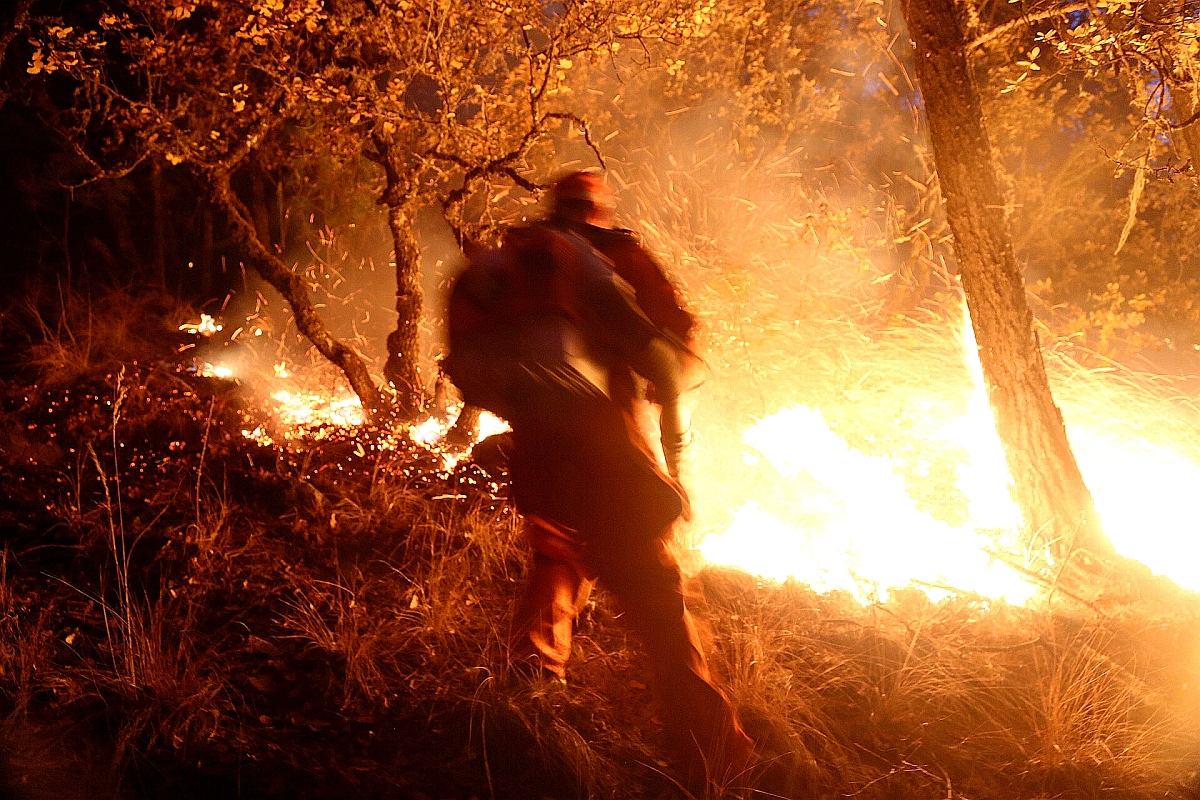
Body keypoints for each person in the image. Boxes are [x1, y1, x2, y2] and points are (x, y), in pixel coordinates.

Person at [444, 170, 754, 792]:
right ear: (599, 209)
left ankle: (529, 718)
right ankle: (713, 757)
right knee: (658, 591)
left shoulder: (512, 263)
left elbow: (474, 363)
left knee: (556, 558)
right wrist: (675, 455)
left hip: (535, 445)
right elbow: (665, 356)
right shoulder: (595, 259)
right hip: (604, 438)